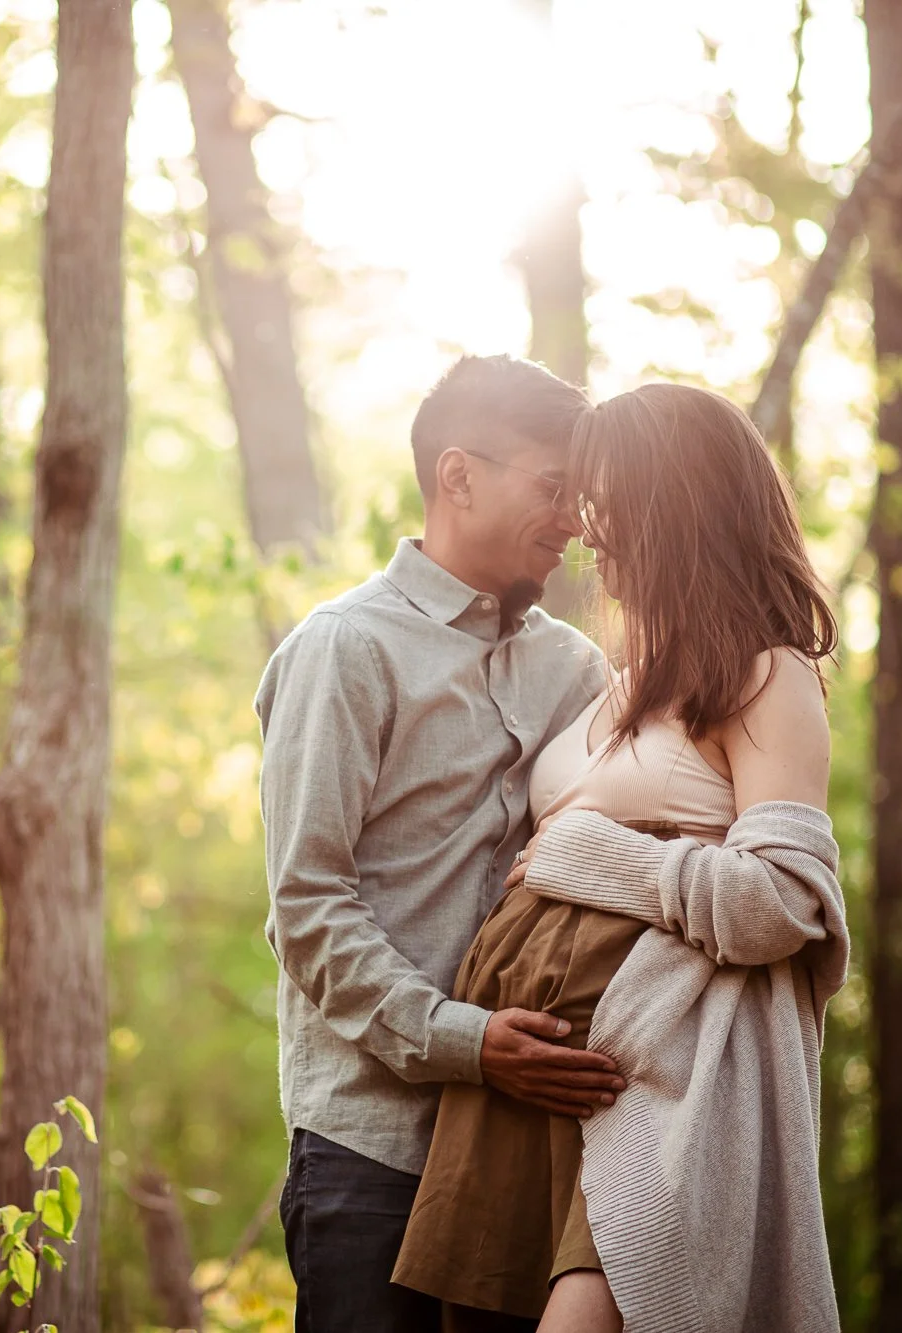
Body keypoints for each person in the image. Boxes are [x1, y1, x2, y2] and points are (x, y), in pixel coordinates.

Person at [392, 383, 849, 1333]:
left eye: (607, 503)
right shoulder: (613, 686)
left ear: (674, 509)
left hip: (654, 1078)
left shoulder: (767, 674)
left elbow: (783, 900)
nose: (586, 531)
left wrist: (588, 855)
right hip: (519, 1086)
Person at [256, 355, 631, 1333]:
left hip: (517, 1149)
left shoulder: (578, 670)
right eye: (552, 487)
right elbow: (307, 909)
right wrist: (469, 1042)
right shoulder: (344, 648)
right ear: (457, 476)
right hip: (370, 1152)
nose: (572, 520)